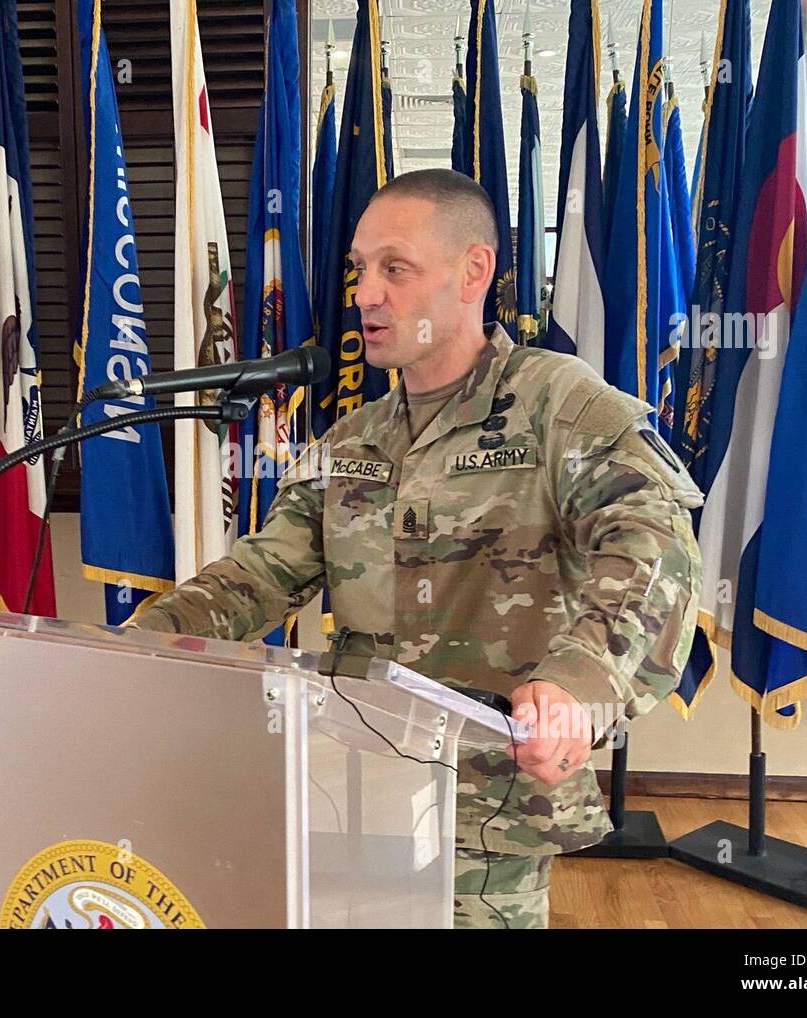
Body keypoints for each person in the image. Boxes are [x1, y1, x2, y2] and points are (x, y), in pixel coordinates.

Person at [131, 168, 704, 928]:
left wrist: (580, 680)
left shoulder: (558, 406)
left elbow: (654, 543)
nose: (365, 293)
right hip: (347, 789)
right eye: (360, 269)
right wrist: (137, 645)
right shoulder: (354, 439)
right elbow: (255, 577)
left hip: (484, 814)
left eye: (394, 268)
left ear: (474, 272)